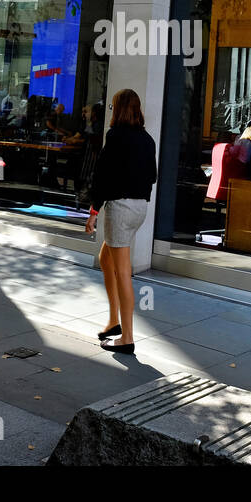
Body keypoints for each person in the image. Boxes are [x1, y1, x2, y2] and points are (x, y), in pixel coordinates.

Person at [84, 88, 157, 355]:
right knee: (106, 259)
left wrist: (94, 211)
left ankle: (127, 337)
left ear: (119, 109)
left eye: (113, 107)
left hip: (121, 208)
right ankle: (114, 321)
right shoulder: (147, 139)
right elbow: (152, 175)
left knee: (123, 273)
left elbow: (102, 176)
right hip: (140, 208)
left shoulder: (115, 136)